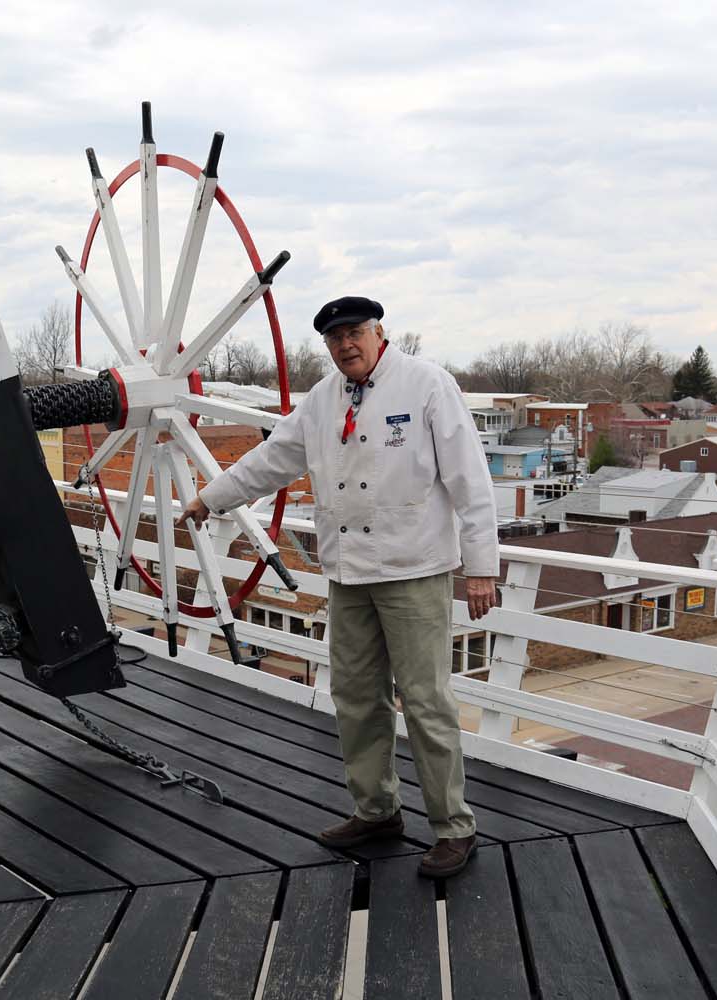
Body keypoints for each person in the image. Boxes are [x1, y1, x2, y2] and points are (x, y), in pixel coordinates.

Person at [180, 296, 499, 878]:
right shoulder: (323, 400)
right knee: (355, 698)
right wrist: (212, 496)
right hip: (348, 571)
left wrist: (481, 567)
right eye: (334, 339)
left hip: (413, 569)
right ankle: (376, 810)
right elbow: (273, 459)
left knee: (426, 702)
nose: (345, 345)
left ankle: (454, 827)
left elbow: (470, 480)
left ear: (381, 333)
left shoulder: (428, 385)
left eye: (354, 333)